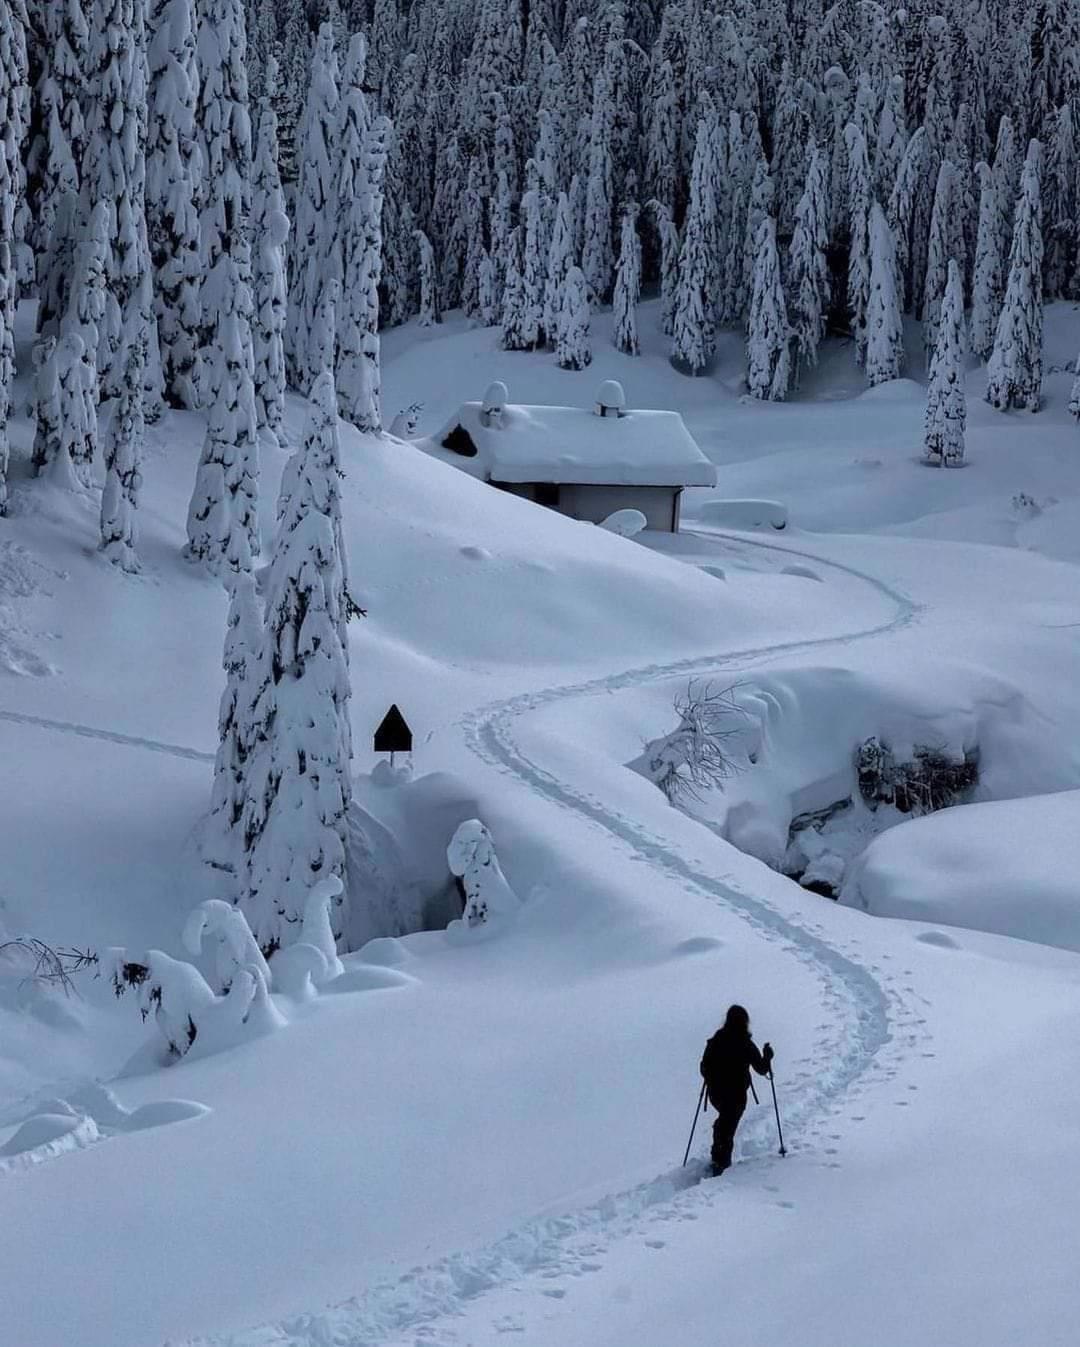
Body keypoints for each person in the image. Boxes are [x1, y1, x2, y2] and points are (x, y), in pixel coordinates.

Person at [700, 1004, 774, 1175]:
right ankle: (721, 1163)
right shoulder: (745, 1043)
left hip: (716, 1093)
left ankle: (719, 1159)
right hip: (737, 1094)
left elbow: (704, 1067)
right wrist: (768, 1056)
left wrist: (710, 1076)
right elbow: (762, 1069)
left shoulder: (717, 1040)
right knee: (727, 1125)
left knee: (724, 1123)